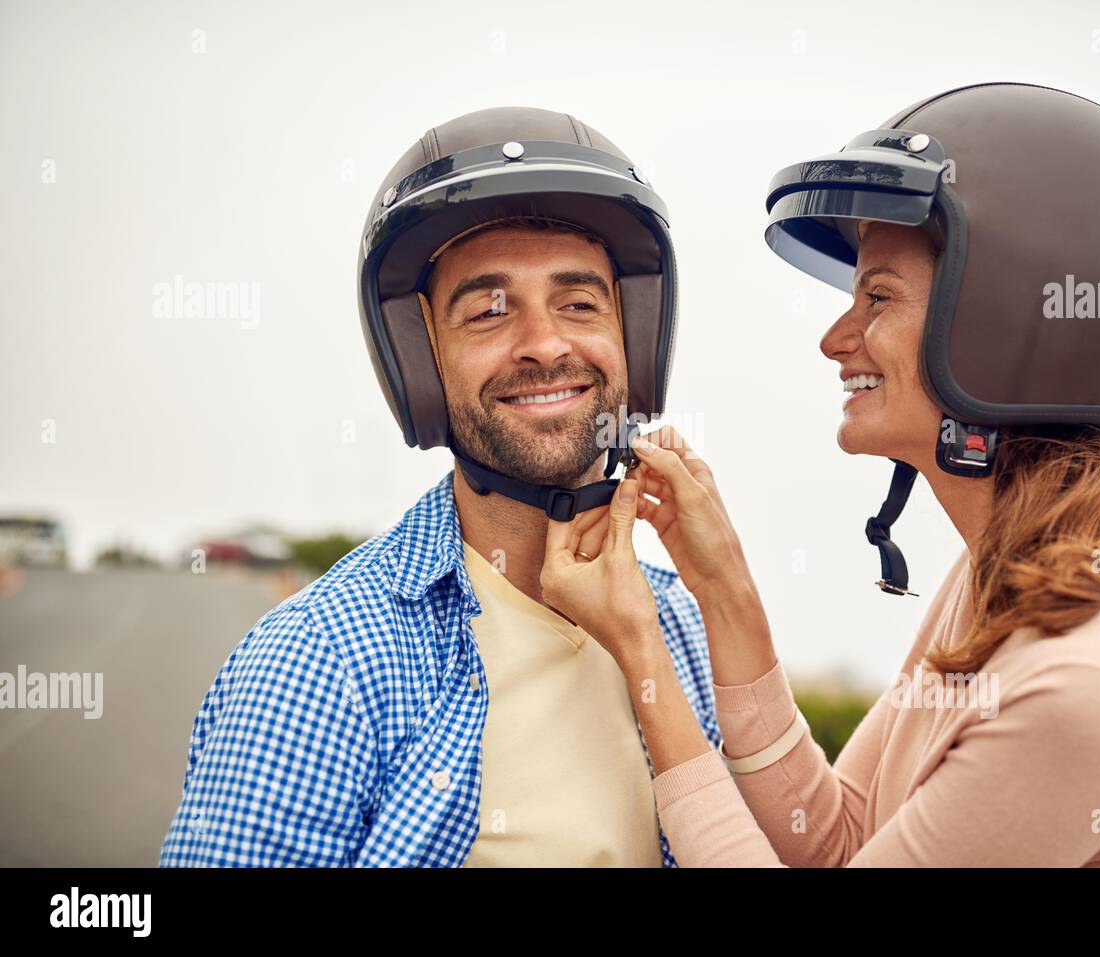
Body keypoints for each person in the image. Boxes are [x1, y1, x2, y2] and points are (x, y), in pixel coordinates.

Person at [538, 83, 1100, 866]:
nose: (835, 339)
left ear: (999, 327)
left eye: (877, 297)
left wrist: (642, 654)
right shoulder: (1019, 570)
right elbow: (838, 837)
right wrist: (722, 584)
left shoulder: (1081, 684)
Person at [159, 108, 718, 867]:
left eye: (578, 303)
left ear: (634, 336)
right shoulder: (319, 664)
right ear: (421, 365)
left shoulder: (683, 628)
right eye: (488, 310)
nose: (544, 344)